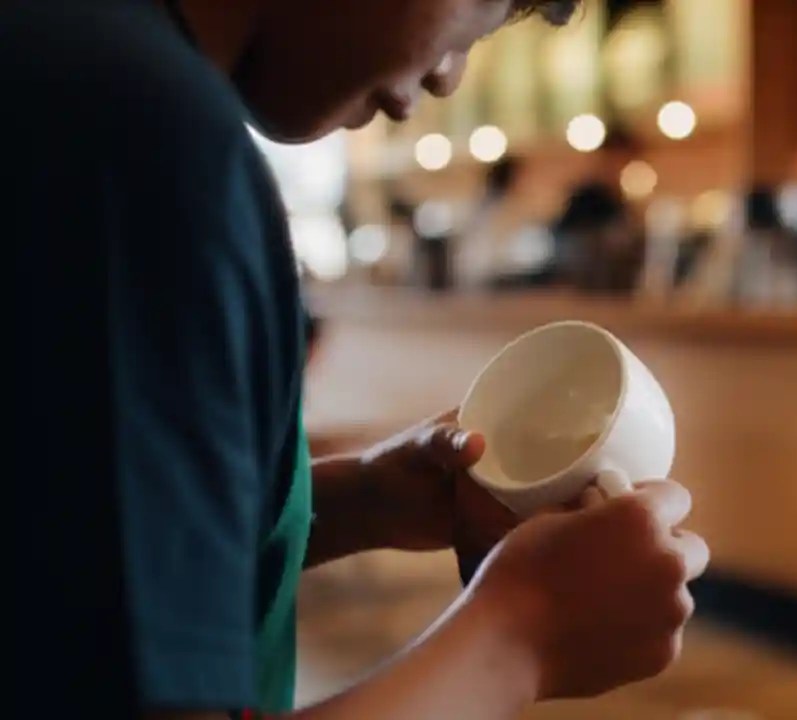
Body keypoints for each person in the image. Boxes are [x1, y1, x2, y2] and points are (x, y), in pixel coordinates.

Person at [7, 1, 708, 719]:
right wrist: (517, 636)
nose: (449, 75)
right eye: (486, 12)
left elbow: (63, 556)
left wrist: (357, 499)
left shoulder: (67, 62)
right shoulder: (147, 146)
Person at [554, 129, 645, 293]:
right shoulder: (588, 194)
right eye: (623, 158)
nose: (624, 164)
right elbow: (568, 240)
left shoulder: (616, 196)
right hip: (586, 283)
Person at [455, 156, 556, 291]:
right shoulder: (508, 208)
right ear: (512, 178)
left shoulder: (480, 207)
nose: (525, 182)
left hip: (480, 278)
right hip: (500, 279)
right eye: (521, 177)